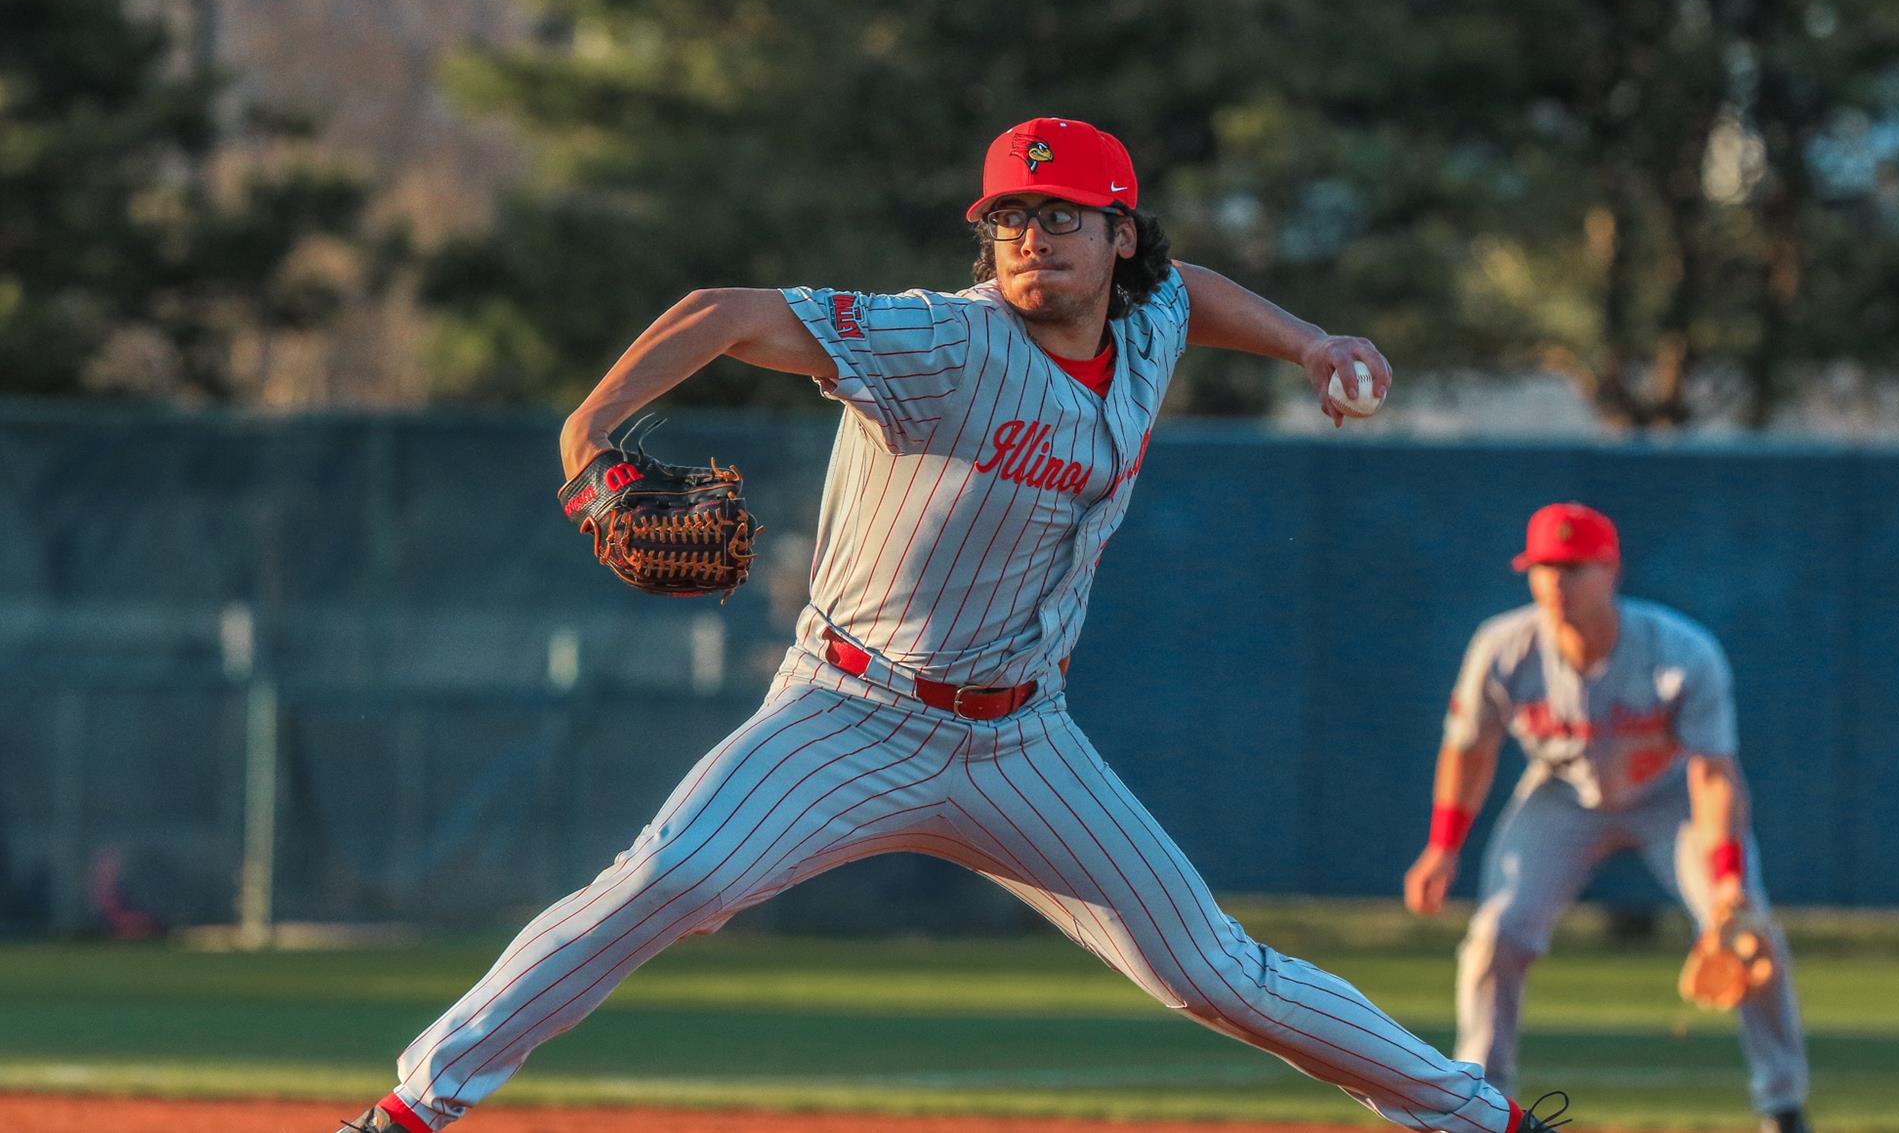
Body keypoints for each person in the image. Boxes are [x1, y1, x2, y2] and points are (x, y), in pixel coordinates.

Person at [342, 117, 1568, 1133]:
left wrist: (1311, 341)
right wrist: (583, 437)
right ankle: (414, 1107)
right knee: (673, 876)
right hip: (848, 711)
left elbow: (1188, 296)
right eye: (1010, 220)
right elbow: (720, 309)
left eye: (1062, 217)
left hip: (1022, 742)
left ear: (1117, 236)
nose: (1031, 238)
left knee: (1211, 969)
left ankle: (1481, 1119)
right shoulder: (942, 337)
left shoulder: (1142, 326)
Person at [1403, 502, 1810, 1133]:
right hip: (1561, 794)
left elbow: (1713, 774)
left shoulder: (1681, 653)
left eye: (1573, 567)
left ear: (1611, 571)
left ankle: (1782, 1106)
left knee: (1749, 933)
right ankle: (1479, 1102)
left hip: (1669, 796)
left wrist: (1727, 877)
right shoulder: (1504, 647)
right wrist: (1442, 845)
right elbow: (1470, 747)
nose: (1556, 582)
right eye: (1543, 567)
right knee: (1497, 935)